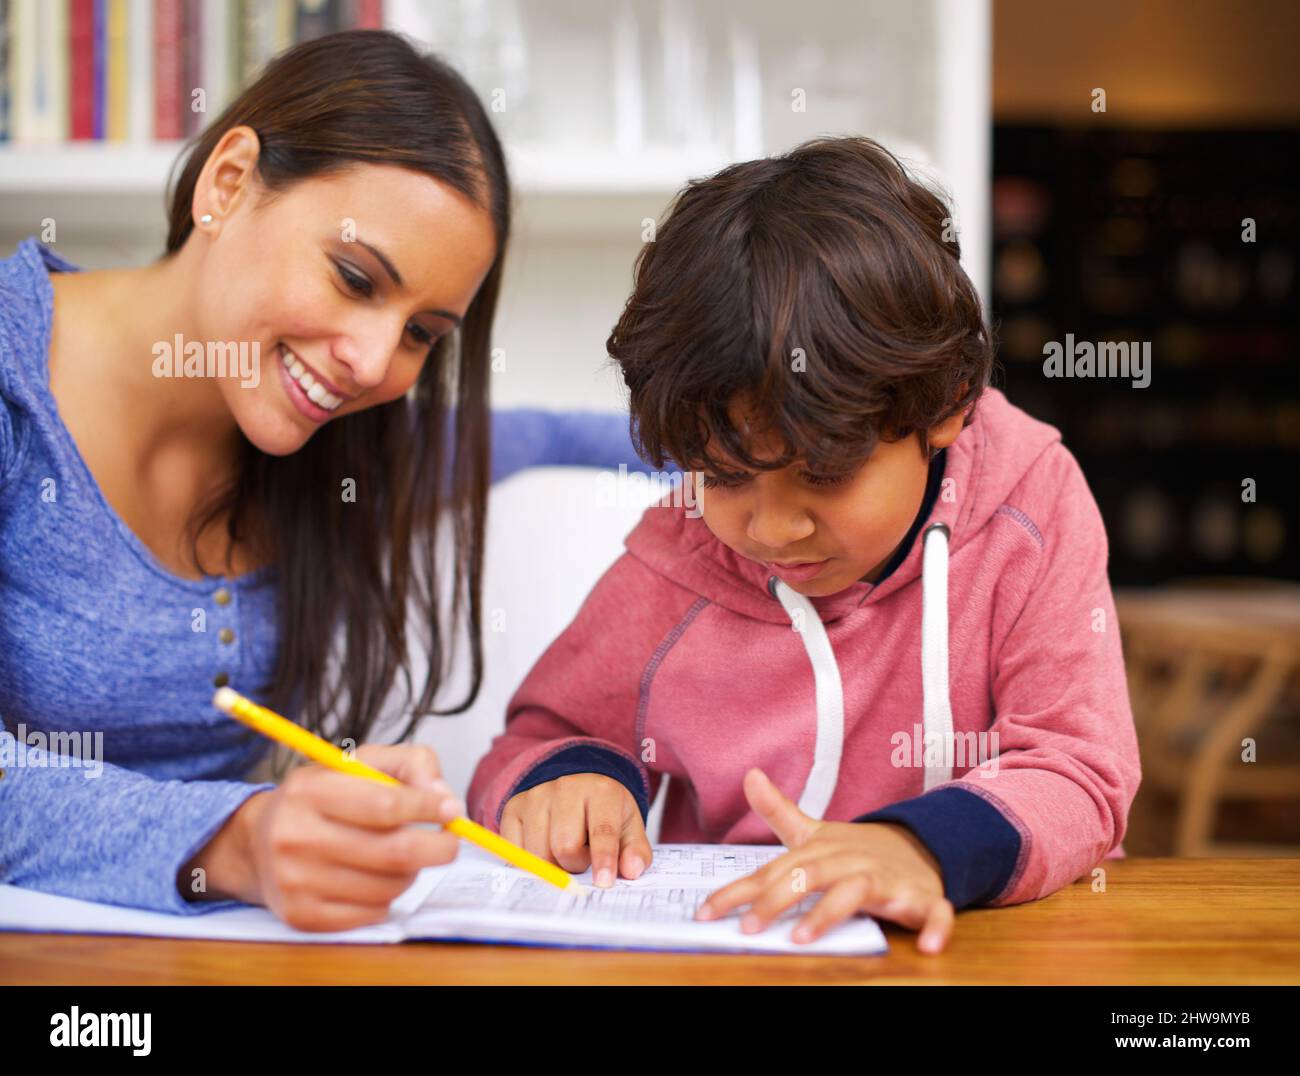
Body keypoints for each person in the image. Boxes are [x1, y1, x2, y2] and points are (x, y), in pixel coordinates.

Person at [0, 30, 646, 932]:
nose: (374, 362)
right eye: (353, 278)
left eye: (424, 333)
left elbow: (570, 434)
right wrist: (236, 838)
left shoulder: (357, 455)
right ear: (227, 183)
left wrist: (878, 426)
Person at [467, 136, 1142, 954]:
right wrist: (568, 782)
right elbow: (545, 733)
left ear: (949, 403)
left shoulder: (1031, 507)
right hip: (741, 951)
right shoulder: (680, 558)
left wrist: (918, 848)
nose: (772, 529)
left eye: (822, 473)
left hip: (988, 951)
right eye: (723, 477)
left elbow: (1079, 769)